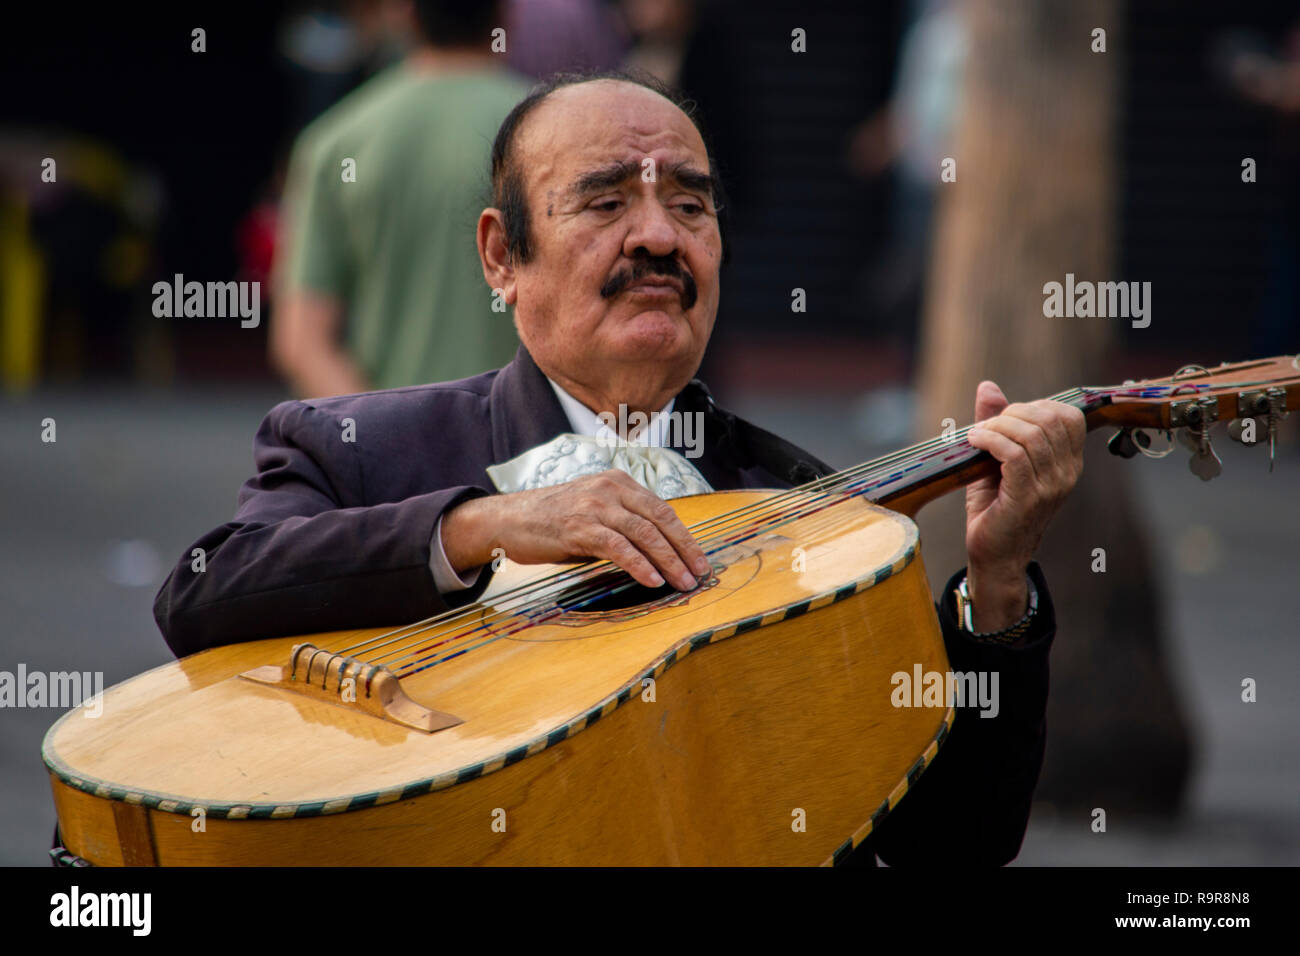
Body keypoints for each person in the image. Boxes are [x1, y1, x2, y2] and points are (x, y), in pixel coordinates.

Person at [153, 71, 1086, 866]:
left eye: (690, 204)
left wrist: (997, 588)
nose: (659, 237)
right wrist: (478, 527)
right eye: (605, 203)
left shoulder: (807, 511)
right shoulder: (362, 448)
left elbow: (951, 843)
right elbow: (203, 593)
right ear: (500, 254)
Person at [271, 0, 529, 396]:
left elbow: (304, 341)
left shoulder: (336, 141)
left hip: (389, 440)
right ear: (504, 15)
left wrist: (380, 438)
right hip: (528, 449)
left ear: (405, 14)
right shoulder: (553, 137)